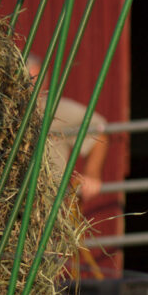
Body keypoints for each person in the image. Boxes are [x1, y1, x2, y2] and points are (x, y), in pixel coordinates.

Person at [27, 56, 108, 202]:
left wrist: (92, 173)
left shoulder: (55, 111)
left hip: (47, 204)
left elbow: (98, 132)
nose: (33, 87)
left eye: (37, 81)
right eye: (29, 80)